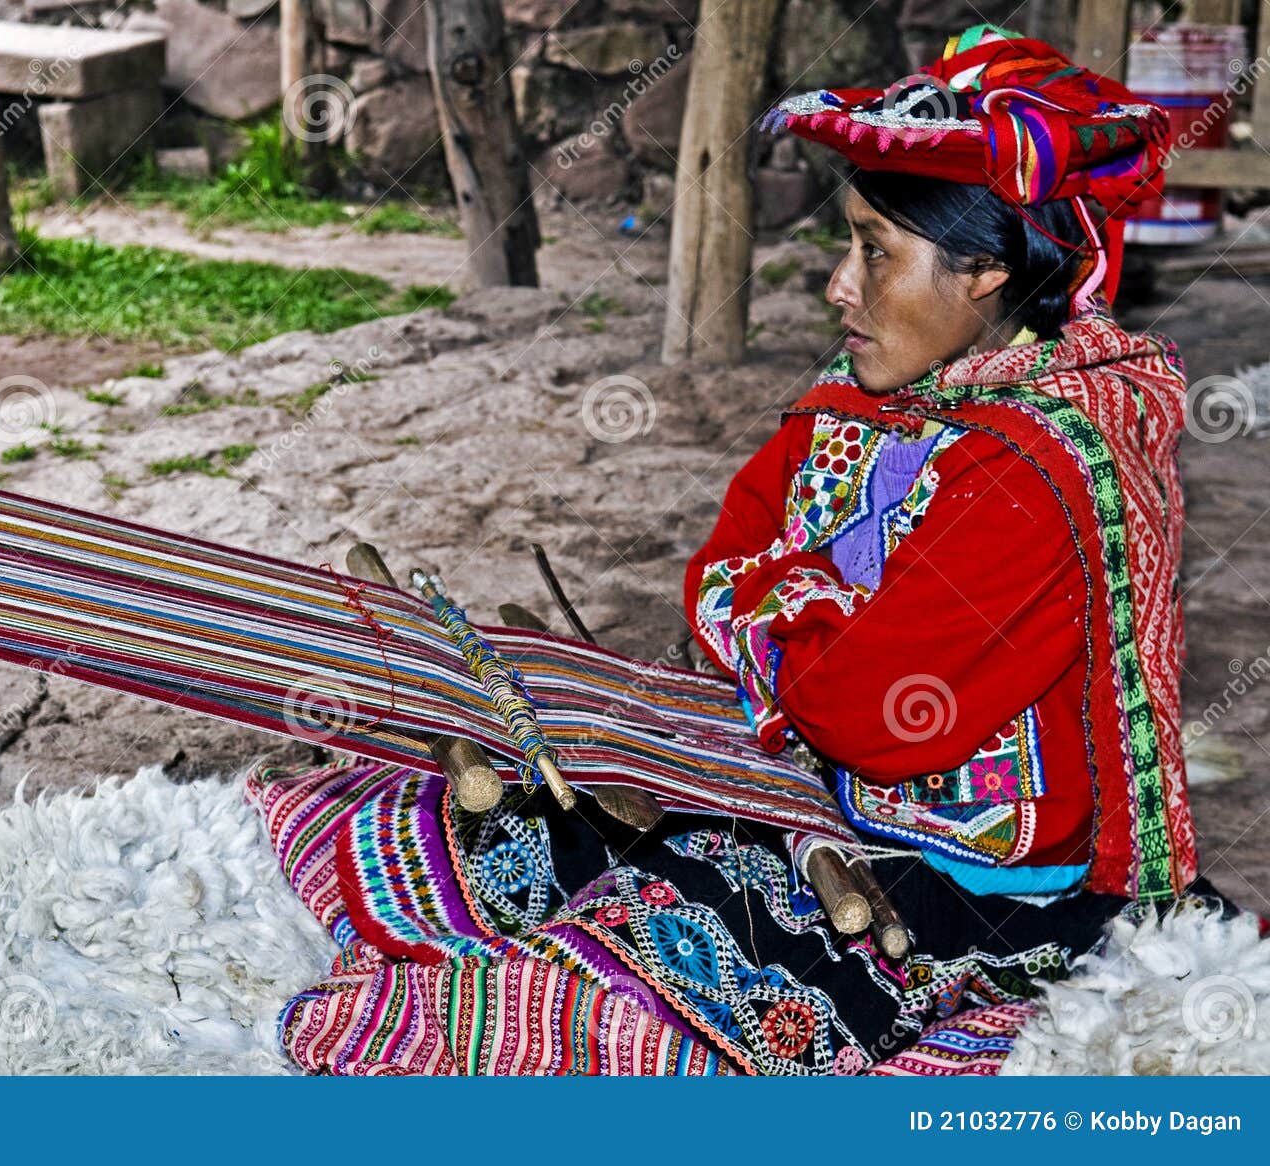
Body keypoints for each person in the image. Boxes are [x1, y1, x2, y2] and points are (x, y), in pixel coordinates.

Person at [249, 25, 1213, 1076]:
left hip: (960, 884)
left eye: (873, 251)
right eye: (847, 245)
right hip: (800, 786)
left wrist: (776, 617)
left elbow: (867, 708)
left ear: (982, 272)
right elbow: (720, 561)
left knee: (602, 1000)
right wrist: (807, 625)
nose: (839, 287)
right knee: (466, 839)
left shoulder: (1043, 473)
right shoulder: (871, 401)